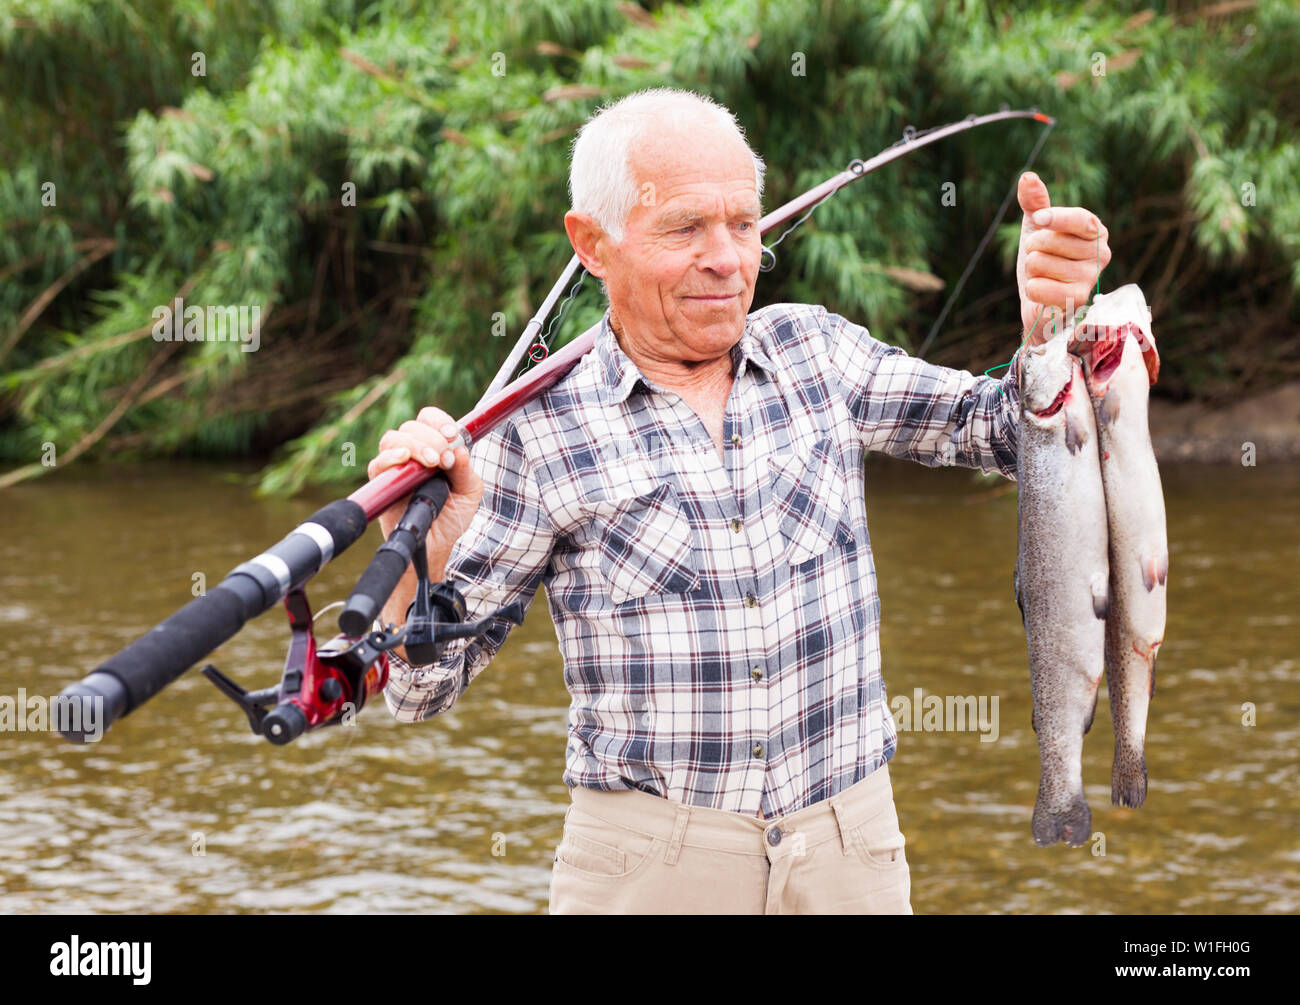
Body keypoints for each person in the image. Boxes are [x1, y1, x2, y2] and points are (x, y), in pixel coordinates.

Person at [365, 88, 1111, 914]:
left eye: (744, 224)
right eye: (685, 228)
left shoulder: (818, 353)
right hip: (649, 868)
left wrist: (1047, 330)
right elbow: (417, 691)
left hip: (850, 853)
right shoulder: (536, 434)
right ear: (592, 243)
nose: (727, 258)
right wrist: (417, 560)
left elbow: (1004, 434)